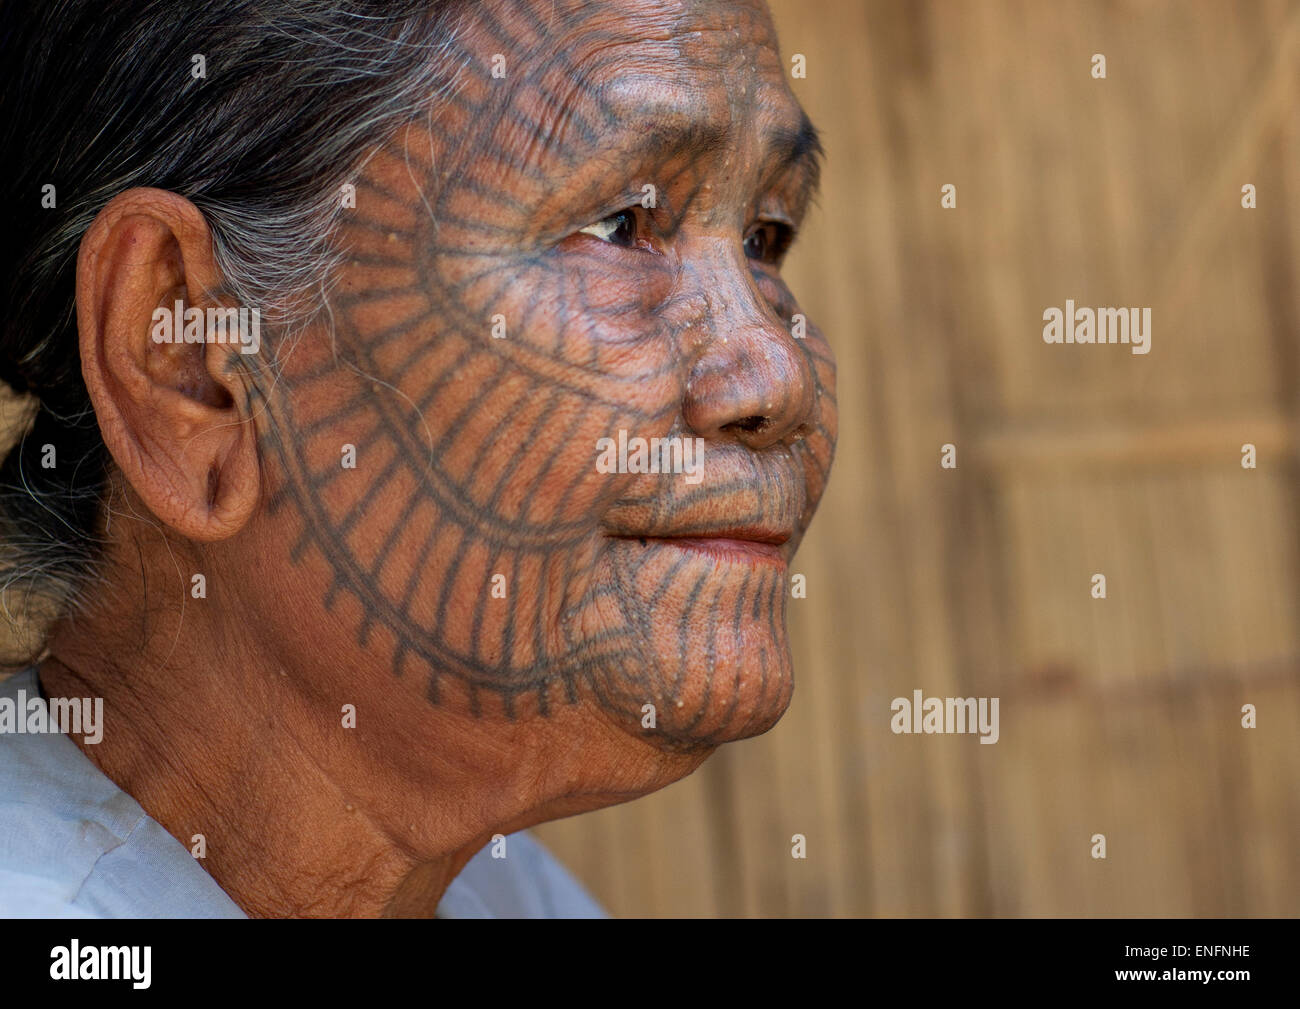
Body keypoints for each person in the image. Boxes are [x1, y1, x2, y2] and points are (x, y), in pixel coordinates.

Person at [0, 0, 836, 918]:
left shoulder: (511, 897)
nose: (777, 371)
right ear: (189, 361)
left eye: (764, 239)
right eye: (619, 226)